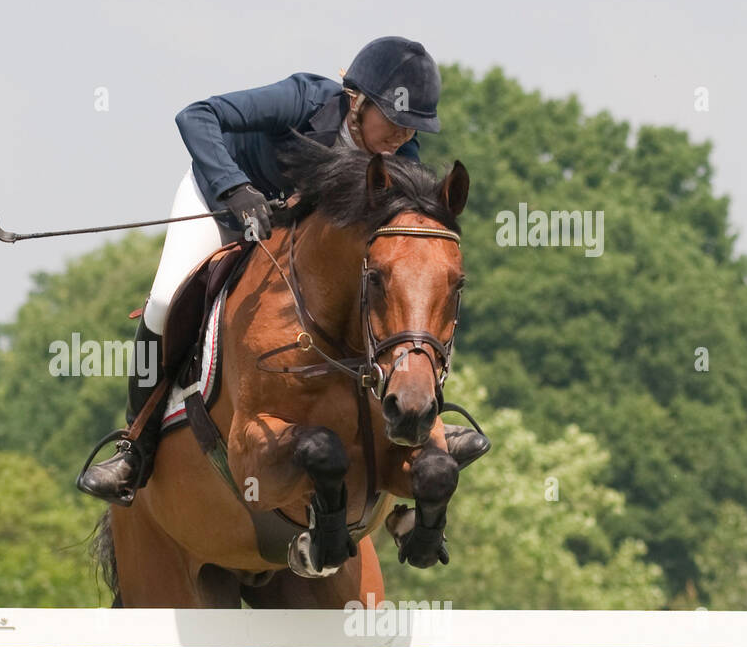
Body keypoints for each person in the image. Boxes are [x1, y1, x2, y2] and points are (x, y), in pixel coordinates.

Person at [76, 36, 489, 506]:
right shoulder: (303, 100)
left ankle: (421, 425)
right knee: (167, 301)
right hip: (222, 205)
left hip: (294, 242)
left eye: (413, 129)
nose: (403, 137)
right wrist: (236, 188)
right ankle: (136, 445)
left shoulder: (401, 164)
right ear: (357, 101)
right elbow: (196, 115)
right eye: (394, 121)